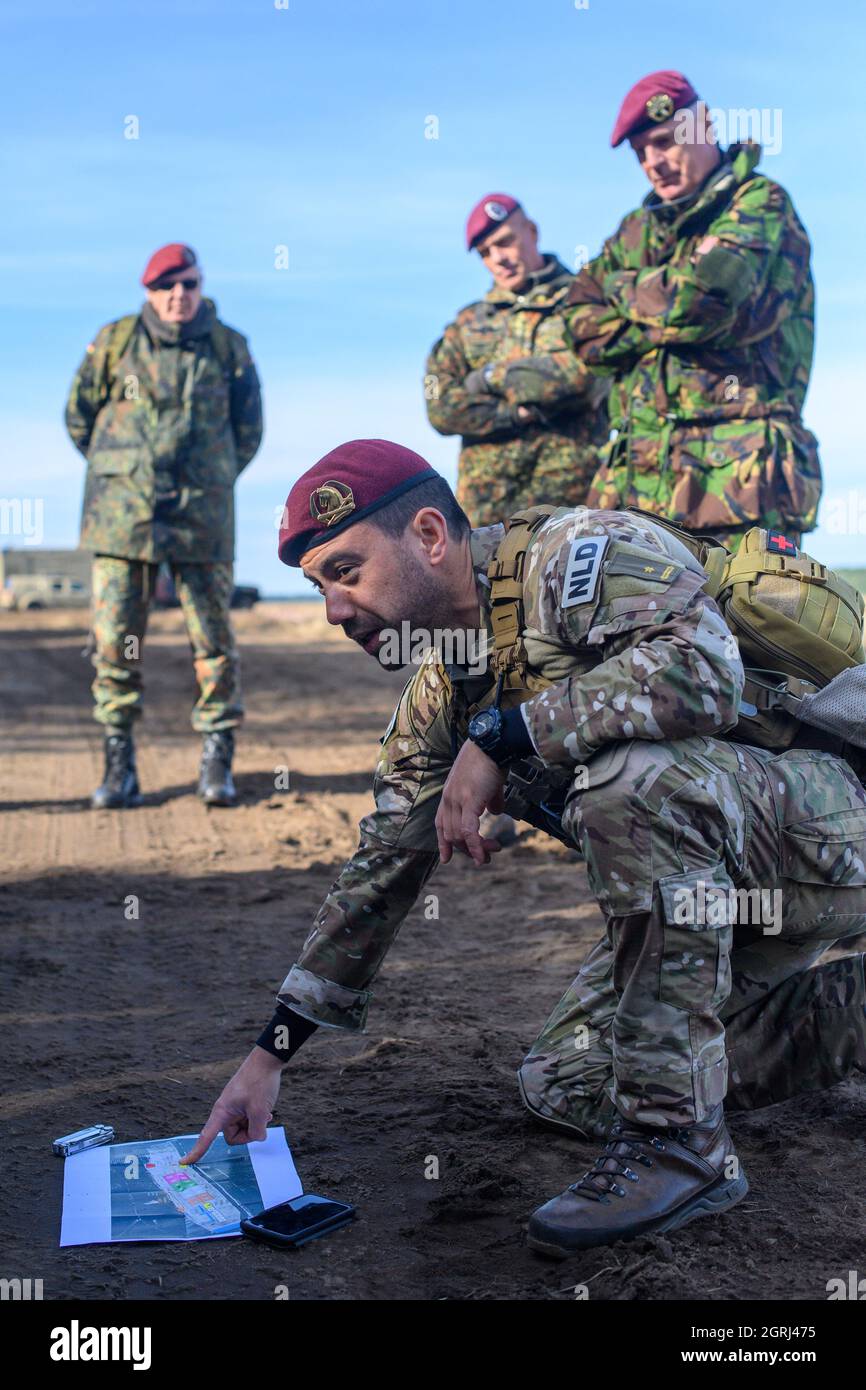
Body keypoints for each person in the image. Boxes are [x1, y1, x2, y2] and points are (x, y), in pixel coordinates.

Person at [184, 440, 866, 1256]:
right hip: (728, 887)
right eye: (319, 586)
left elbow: (705, 670)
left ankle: (682, 1147)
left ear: (431, 535)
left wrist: (508, 736)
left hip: (833, 829)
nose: (335, 609)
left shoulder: (575, 555)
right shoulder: (444, 688)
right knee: (565, 1082)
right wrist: (271, 1057)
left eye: (347, 570)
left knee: (632, 779)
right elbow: (381, 870)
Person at [563, 71, 822, 553]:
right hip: (636, 486)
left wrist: (619, 291)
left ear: (704, 125)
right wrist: (662, 312)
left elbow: (702, 302)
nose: (653, 163)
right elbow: (578, 323)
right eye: (641, 153)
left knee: (749, 624)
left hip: (737, 484)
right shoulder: (635, 231)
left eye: (664, 142)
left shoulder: (760, 203)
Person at [65, 242, 263, 808]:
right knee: (114, 643)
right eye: (166, 285)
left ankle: (216, 760)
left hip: (202, 515)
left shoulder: (230, 348)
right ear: (148, 291)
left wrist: (213, 474)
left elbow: (248, 431)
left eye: (189, 284)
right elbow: (79, 416)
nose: (179, 295)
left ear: (201, 287)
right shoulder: (114, 342)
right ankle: (119, 763)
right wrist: (120, 473)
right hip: (122, 518)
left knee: (213, 640)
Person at [425, 194, 608, 528]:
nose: (498, 259)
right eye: (485, 253)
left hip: (572, 505)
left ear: (532, 231)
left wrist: (488, 378)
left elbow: (585, 376)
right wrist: (513, 413)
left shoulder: (584, 301)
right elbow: (440, 406)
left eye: (504, 242)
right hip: (488, 515)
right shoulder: (467, 324)